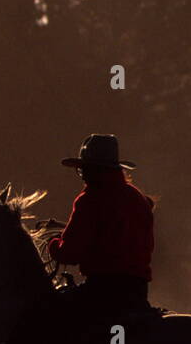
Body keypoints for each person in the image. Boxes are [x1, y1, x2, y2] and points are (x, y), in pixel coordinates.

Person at [46, 134, 154, 322]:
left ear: (91, 170)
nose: (82, 175)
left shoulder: (90, 199)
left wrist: (53, 244)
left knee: (47, 313)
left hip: (103, 291)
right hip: (137, 291)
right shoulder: (138, 198)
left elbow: (70, 254)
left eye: (83, 169)